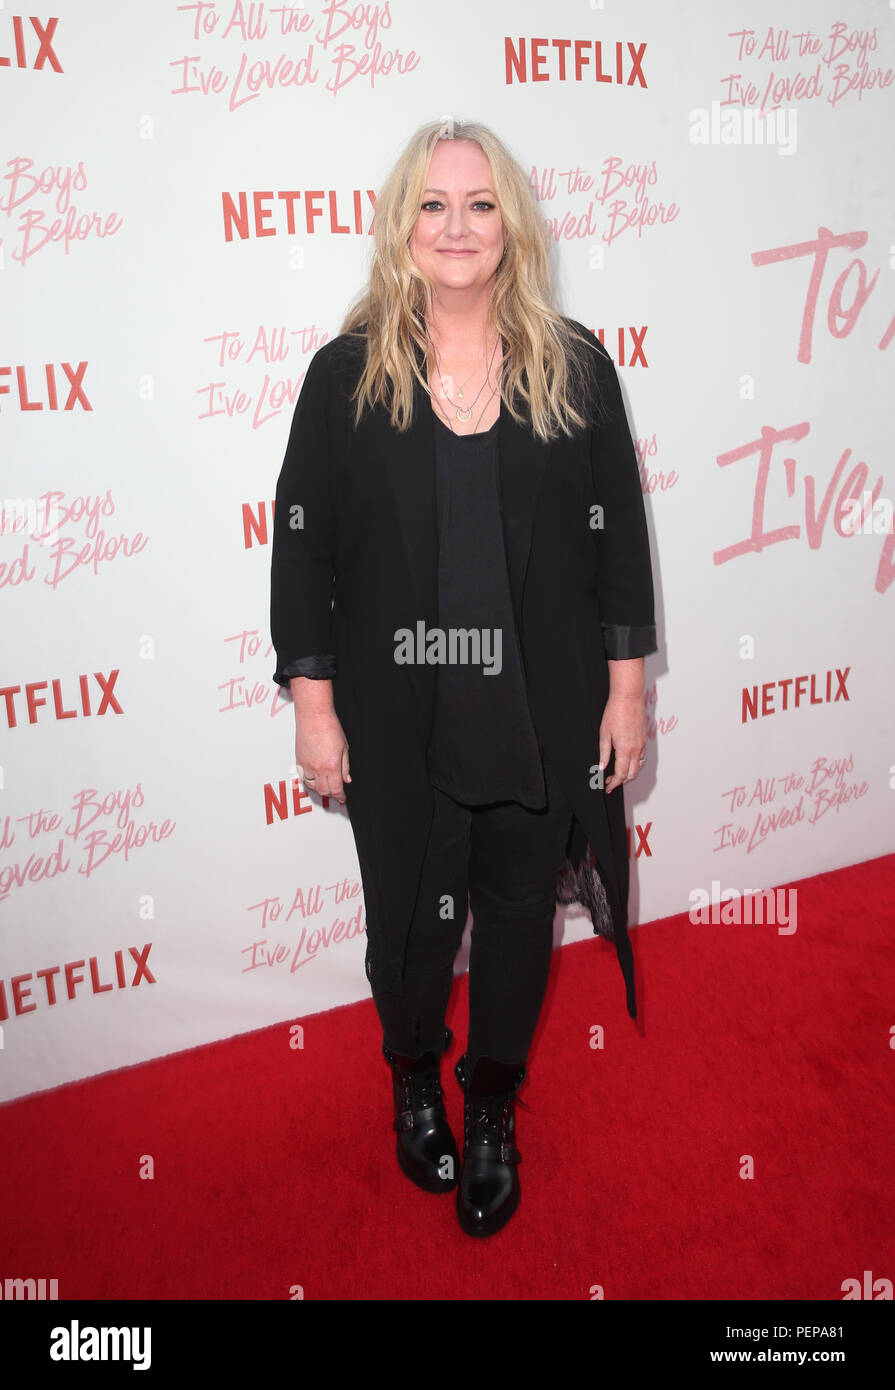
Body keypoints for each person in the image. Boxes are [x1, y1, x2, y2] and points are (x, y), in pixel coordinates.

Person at [269, 118, 657, 1238]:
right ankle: (410, 1076)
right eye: (433, 205)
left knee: (517, 920)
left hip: (535, 713)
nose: (456, 226)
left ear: (511, 224)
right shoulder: (343, 377)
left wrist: (625, 690)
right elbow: (302, 547)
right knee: (409, 930)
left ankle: (489, 1105)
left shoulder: (573, 362)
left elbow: (619, 542)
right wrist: (314, 707)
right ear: (401, 227)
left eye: (480, 203)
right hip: (399, 722)